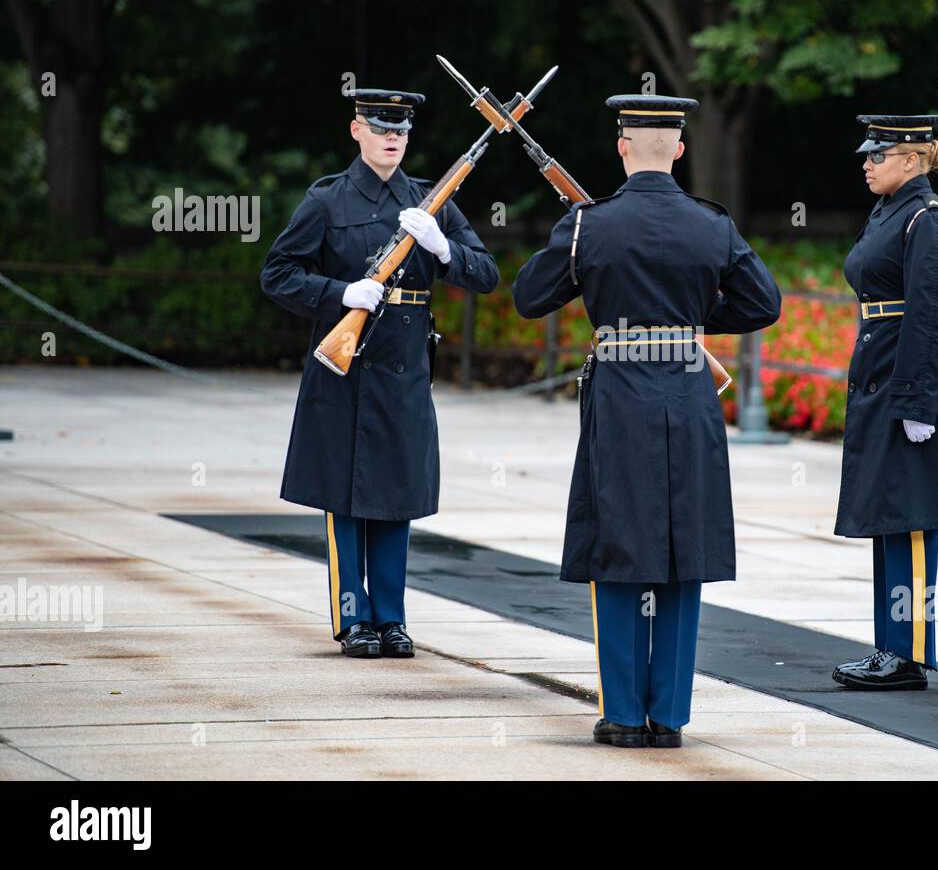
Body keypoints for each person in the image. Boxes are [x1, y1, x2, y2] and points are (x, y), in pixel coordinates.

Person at [511, 94, 781, 747]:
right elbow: (763, 303)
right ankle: (670, 718)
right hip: (688, 393)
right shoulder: (711, 225)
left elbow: (528, 297)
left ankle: (624, 714)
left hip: (621, 396)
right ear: (681, 149)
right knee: (681, 551)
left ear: (622, 146)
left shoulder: (589, 225)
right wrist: (685, 320)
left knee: (620, 545)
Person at [260, 88, 499, 658]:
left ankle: (391, 618)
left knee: (397, 497)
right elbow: (278, 274)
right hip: (343, 367)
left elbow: (485, 273)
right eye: (381, 126)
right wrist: (341, 291)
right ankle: (353, 617)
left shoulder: (429, 200)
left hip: (403, 367)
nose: (393, 137)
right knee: (343, 499)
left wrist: (444, 250)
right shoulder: (327, 200)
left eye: (402, 129)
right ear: (357, 131)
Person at [832, 114, 938, 690]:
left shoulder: (927, 221)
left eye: (878, 155)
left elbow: (931, 318)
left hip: (910, 376)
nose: (867, 162)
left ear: (913, 159)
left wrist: (918, 404)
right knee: (888, 513)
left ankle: (908, 655)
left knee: (910, 516)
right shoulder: (891, 213)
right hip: (883, 370)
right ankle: (888, 646)